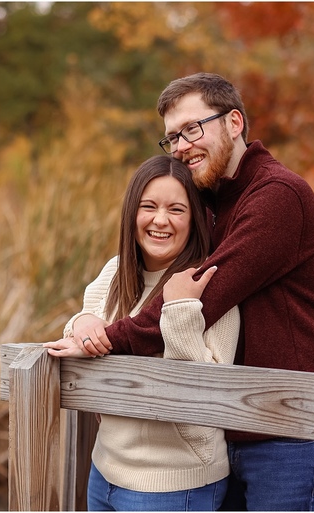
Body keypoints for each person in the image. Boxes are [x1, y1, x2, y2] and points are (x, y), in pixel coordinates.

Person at [70, 72, 314, 511]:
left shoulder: (278, 196)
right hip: (229, 421)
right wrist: (86, 322)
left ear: (234, 123)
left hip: (289, 425)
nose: (181, 146)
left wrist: (109, 342)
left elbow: (200, 298)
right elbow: (136, 276)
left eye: (192, 128)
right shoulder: (214, 200)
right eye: (172, 137)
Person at [43, 155, 241, 511]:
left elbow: (205, 397)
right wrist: (80, 323)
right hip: (104, 472)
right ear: (132, 214)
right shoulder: (116, 272)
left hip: (175, 485)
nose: (160, 220)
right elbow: (88, 328)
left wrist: (180, 309)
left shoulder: (210, 285)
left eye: (176, 210)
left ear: (195, 218)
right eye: (148, 206)